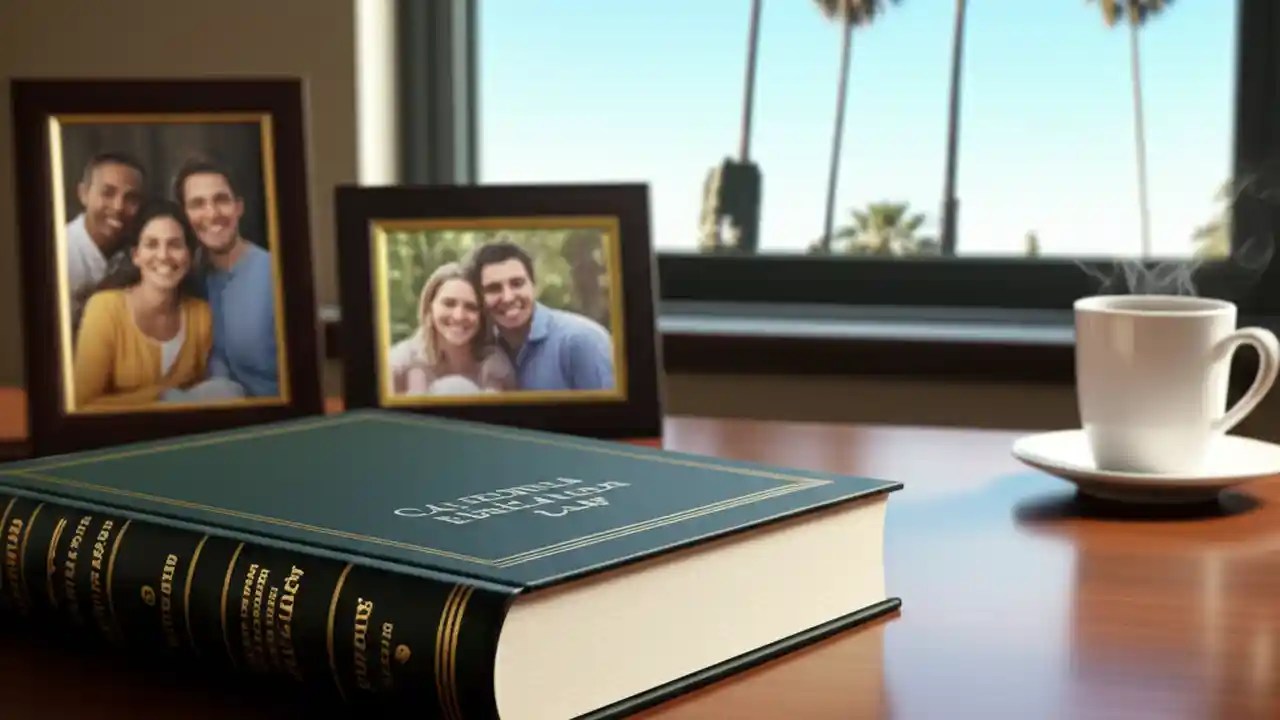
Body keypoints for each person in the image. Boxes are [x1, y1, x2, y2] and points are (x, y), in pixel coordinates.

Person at [72, 200, 219, 409]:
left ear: (189, 255)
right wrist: (165, 397)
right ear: (136, 256)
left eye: (175, 244)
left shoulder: (201, 315)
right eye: (151, 244)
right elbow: (81, 405)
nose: (163, 255)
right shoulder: (104, 308)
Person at [172, 156, 280, 398]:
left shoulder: (275, 275)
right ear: (184, 216)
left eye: (221, 200)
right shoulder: (188, 278)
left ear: (239, 207)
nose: (212, 213)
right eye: (197, 204)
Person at [465, 238, 615, 392]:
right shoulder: (488, 350)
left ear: (534, 286)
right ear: (479, 297)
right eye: (494, 288)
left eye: (517, 283)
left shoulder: (581, 340)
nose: (508, 297)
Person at [387, 262, 516, 395]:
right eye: (449, 303)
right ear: (429, 307)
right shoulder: (399, 364)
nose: (459, 316)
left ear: (481, 316)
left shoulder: (494, 366)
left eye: (471, 307)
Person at [65, 152, 145, 334]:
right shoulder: (61, 255)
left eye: (131, 198)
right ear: (84, 194)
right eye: (108, 193)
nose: (118, 206)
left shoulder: (135, 251)